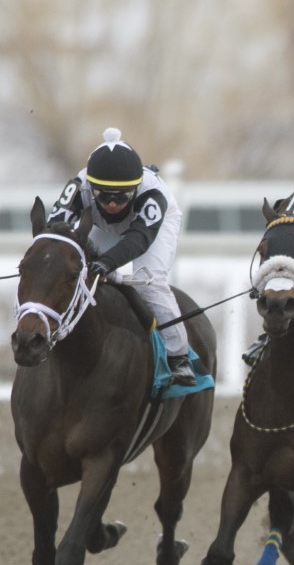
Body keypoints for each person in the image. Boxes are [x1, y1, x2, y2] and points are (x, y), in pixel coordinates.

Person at [48, 127, 196, 386]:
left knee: (149, 281)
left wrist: (106, 263)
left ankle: (178, 356)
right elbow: (55, 227)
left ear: (136, 188)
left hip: (149, 227)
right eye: (104, 195)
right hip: (100, 224)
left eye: (122, 195)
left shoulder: (154, 193)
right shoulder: (78, 185)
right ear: (91, 187)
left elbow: (138, 239)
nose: (113, 203)